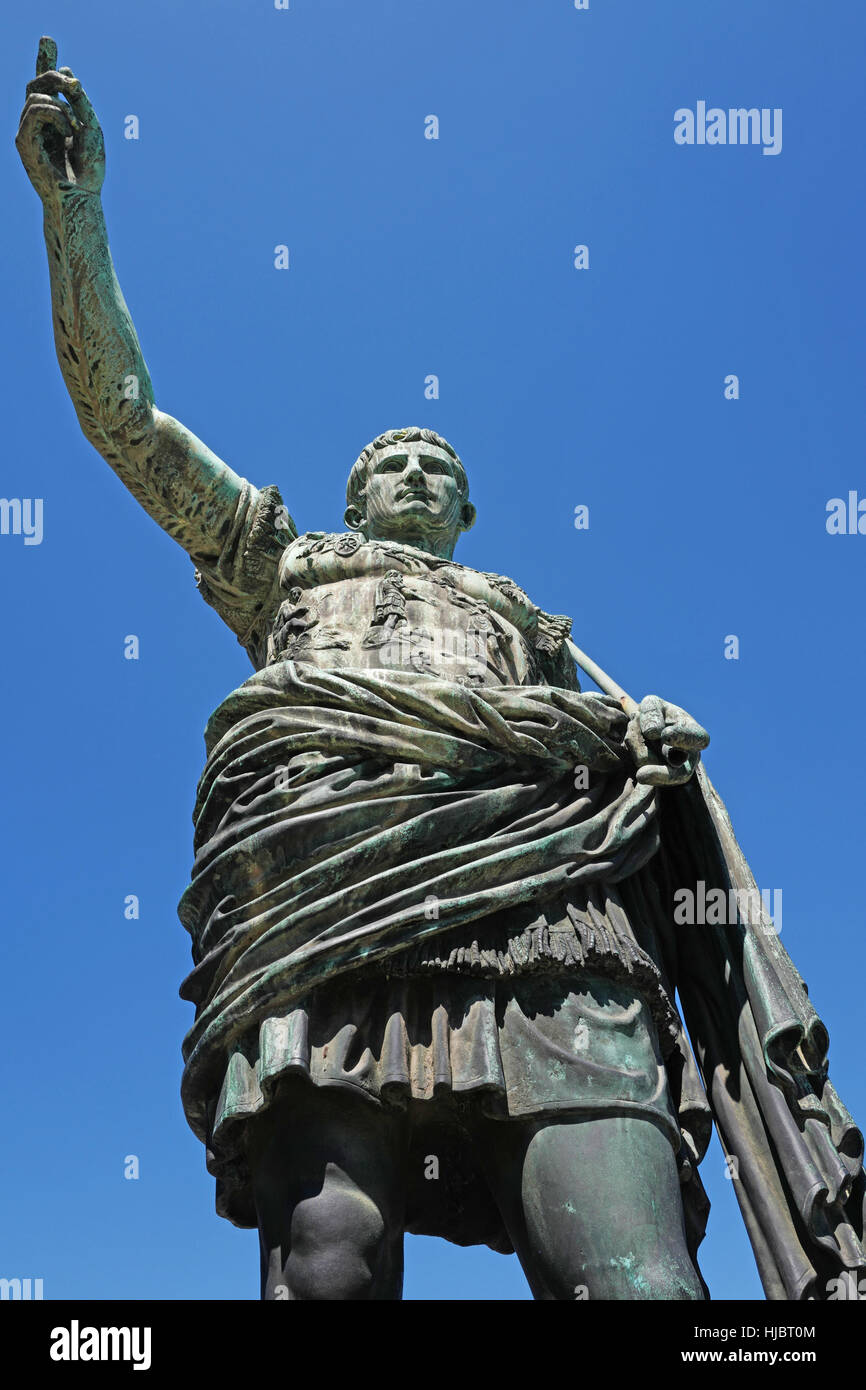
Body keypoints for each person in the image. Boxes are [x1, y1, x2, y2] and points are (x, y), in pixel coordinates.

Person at [17, 43, 864, 1302]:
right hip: (327, 901)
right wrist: (74, 217)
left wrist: (645, 740)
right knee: (330, 1260)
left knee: (633, 1274)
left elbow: (609, 748)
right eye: (386, 463)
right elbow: (124, 421)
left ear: (465, 510)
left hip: (549, 911)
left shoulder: (530, 622)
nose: (410, 474)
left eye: (434, 467)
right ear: (353, 498)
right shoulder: (286, 567)